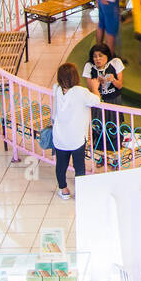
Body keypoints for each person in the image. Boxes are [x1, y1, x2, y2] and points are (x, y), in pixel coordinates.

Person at [50, 62, 99, 200]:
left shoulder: (56, 89)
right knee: (79, 166)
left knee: (61, 164)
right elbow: (96, 101)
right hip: (77, 137)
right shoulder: (81, 92)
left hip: (59, 136)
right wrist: (95, 88)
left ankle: (63, 189)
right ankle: (80, 192)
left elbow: (56, 87)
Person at [84, 42, 124, 161]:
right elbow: (91, 88)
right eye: (95, 56)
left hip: (113, 100)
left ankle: (115, 158)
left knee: (114, 127)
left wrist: (113, 80)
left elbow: (120, 85)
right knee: (99, 128)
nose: (97, 59)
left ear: (107, 56)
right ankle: (101, 158)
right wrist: (96, 83)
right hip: (98, 101)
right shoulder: (89, 67)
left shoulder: (115, 63)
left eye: (100, 55)